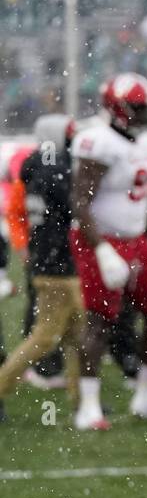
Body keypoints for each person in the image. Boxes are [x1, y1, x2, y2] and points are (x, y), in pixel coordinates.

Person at [69, 73, 147, 432]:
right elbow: (80, 201)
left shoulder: (142, 139)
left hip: (136, 240)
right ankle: (88, 406)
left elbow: (140, 197)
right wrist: (103, 250)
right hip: (100, 239)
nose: (144, 115)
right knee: (100, 320)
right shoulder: (97, 141)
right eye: (137, 108)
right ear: (116, 108)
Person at [0, 115, 81, 422]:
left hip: (45, 257)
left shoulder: (32, 166)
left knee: (76, 336)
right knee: (46, 337)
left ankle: (81, 399)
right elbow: (74, 206)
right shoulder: (53, 170)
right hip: (58, 262)